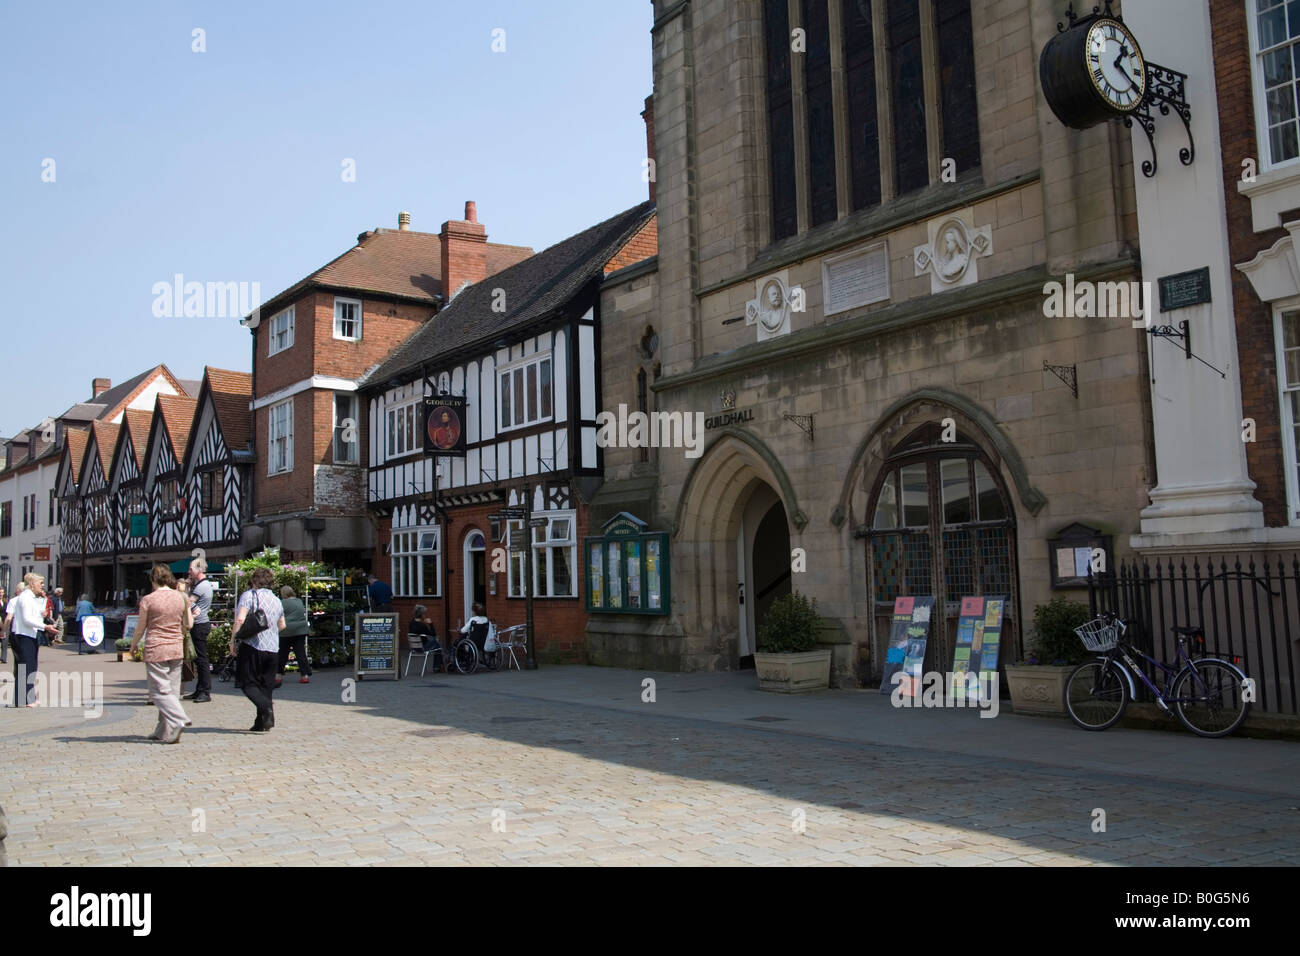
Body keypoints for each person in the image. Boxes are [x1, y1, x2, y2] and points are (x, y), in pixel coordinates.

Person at [131, 564, 192, 743]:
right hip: (176, 648)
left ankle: (179, 719)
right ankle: (164, 731)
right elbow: (187, 624)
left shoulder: (148, 600)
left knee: (158, 692)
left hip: (156, 648)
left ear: (152, 579)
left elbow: (140, 627)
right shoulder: (181, 597)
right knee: (171, 692)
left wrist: (133, 646)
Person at [230, 567, 285, 732]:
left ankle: (266, 708)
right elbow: (282, 625)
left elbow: (240, 619)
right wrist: (270, 632)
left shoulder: (249, 595)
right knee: (265, 686)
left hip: (253, 646)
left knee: (247, 682)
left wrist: (233, 640)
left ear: (254, 581)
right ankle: (261, 722)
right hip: (273, 648)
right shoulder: (277, 600)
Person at [9, 574, 58, 707]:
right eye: (40, 583)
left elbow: (37, 615)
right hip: (24, 635)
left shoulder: (32, 598)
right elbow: (26, 619)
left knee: (29, 667)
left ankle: (22, 699)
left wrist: (43, 603)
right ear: (31, 584)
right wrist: (45, 626)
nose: (42, 585)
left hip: (30, 634)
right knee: (27, 668)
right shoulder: (25, 598)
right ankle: (26, 699)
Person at [185, 560, 214, 703]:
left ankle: (205, 691)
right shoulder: (200, 585)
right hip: (199, 624)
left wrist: (184, 589)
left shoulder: (201, 586)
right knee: (198, 659)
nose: (189, 572)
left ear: (199, 570)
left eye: (191, 569)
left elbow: (188, 602)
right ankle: (199, 689)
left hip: (199, 624)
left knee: (201, 659)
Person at [275, 585, 312, 686]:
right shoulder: (299, 601)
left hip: (286, 630)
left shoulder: (282, 603)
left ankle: (278, 675)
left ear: (283, 593)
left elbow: (277, 615)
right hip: (301, 629)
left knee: (282, 653)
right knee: (300, 653)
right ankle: (304, 676)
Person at [459, 603, 497, 667]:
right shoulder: (487, 620)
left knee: (461, 641)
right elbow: (491, 631)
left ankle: (466, 660)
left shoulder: (473, 620)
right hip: (484, 642)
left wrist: (460, 630)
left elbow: (463, 631)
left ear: (475, 612)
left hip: (474, 642)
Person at [409, 604, 443, 672]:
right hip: (423, 647)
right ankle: (437, 667)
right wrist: (431, 624)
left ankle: (439, 666)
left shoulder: (411, 623)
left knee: (436, 642)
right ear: (422, 615)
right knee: (438, 645)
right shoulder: (422, 625)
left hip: (414, 647)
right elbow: (433, 635)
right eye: (424, 614)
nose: (425, 615)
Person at [0, 587, 7, 664]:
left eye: (2, 592)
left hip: (5, 623)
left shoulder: (5, 602)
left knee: (4, 641)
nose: (1, 594)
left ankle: (3, 658)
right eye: (0, 592)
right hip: (0, 623)